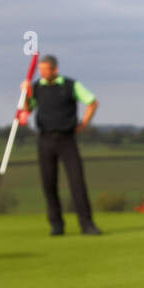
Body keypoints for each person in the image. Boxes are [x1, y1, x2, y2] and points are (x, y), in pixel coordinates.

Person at [25, 55, 102, 235]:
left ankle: (87, 224)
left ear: (54, 70)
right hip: (45, 139)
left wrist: (84, 123)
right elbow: (27, 109)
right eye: (40, 70)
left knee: (77, 181)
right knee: (48, 183)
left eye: (45, 70)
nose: (42, 73)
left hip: (67, 139)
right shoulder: (37, 88)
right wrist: (26, 93)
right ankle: (56, 225)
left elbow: (92, 102)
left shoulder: (70, 85)